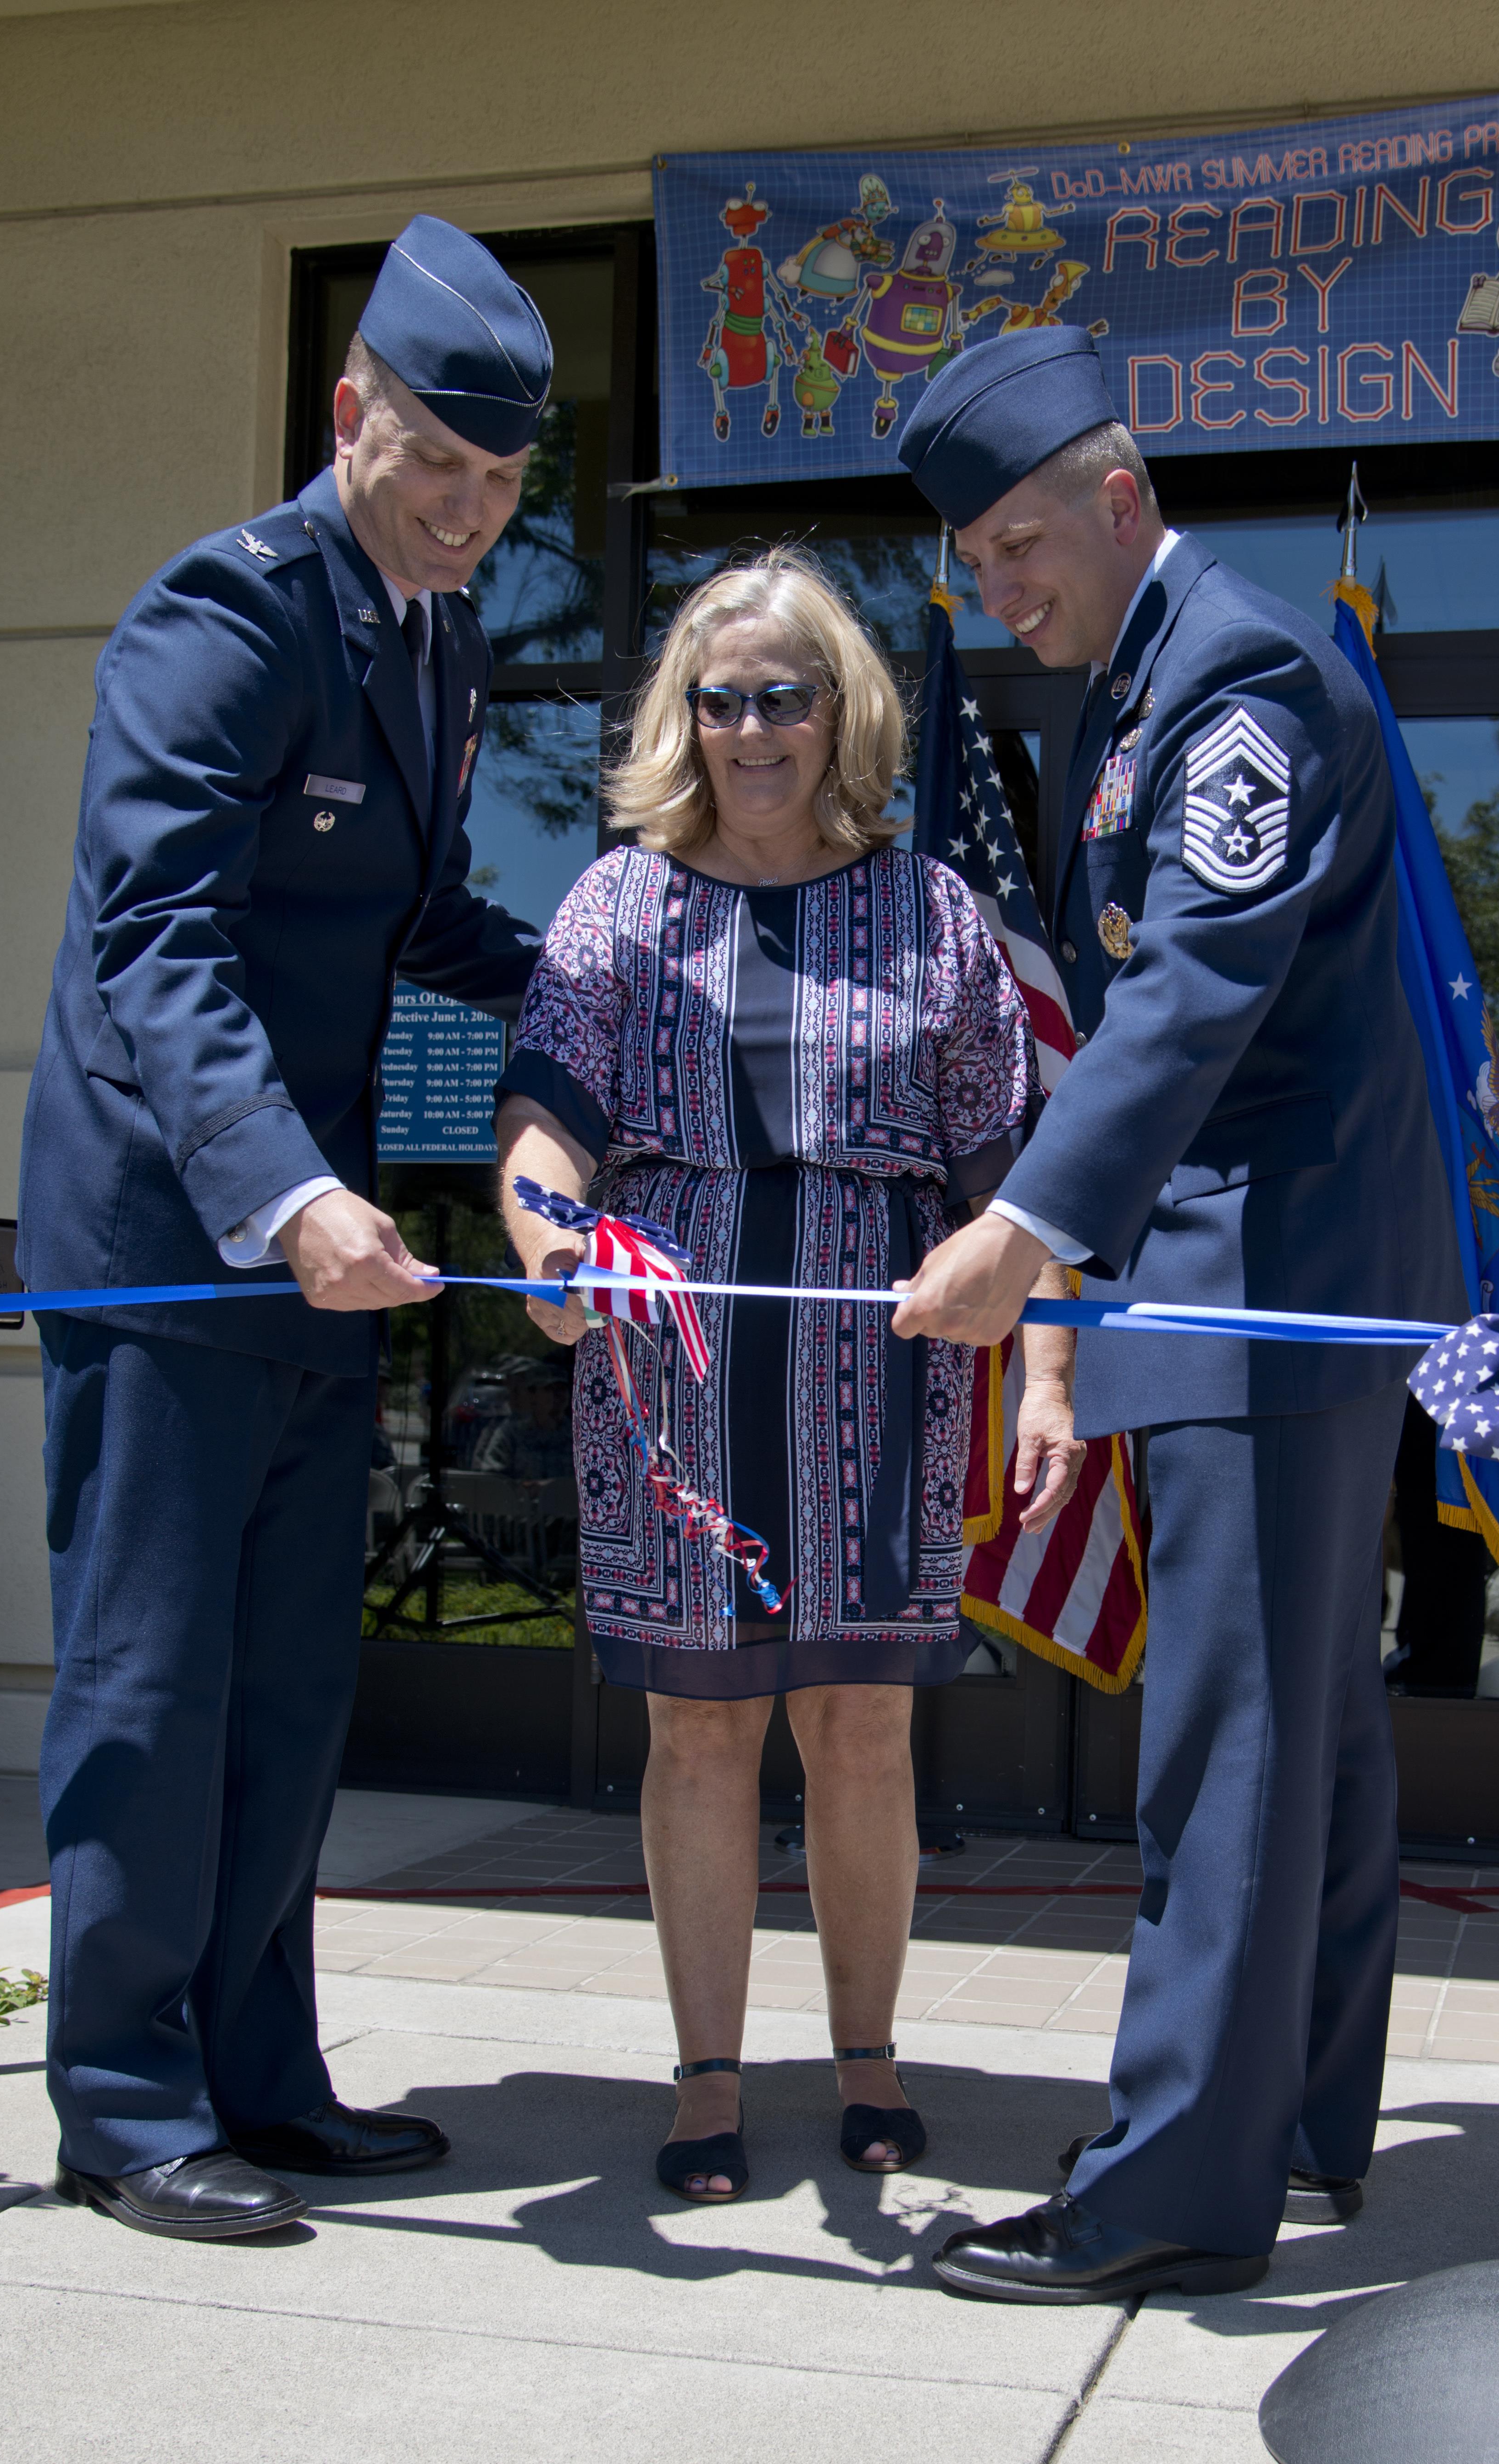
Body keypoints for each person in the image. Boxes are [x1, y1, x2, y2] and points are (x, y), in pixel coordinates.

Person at [888, 330, 1464, 2303]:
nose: (998, 588)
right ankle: (1287, 2121)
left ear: (1121, 496)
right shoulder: (1145, 679)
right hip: (1252, 1276)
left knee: (1229, 1741)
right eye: (974, 559)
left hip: (1270, 1282)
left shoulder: (1234, 674)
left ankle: (1166, 2192)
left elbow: (1199, 987)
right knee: (1302, 1728)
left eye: (1022, 540)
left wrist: (1029, 1230)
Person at [18, 216, 552, 2240]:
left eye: (505, 488)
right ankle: (127, 2096)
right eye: (442, 468)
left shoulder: (438, 637)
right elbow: (158, 939)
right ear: (354, 418)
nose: (471, 516)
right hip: (183, 1235)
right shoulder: (221, 620)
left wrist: (606, 968)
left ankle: (262, 2069)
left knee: (288, 1689)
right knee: (153, 1686)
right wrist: (290, 1188)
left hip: (320, 1253)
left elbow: (416, 917)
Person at [494, 549, 1083, 2201]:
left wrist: (1043, 1380)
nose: (755, 730)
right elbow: (546, 1115)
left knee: (863, 1731)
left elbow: (1009, 1179)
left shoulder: (933, 910)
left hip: (877, 1380)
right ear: (688, 716)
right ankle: (703, 2078)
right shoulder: (617, 900)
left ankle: (871, 2059)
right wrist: (551, 1244)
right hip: (670, 1376)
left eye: (789, 697)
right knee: (695, 1736)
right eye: (724, 697)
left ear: (843, 716)